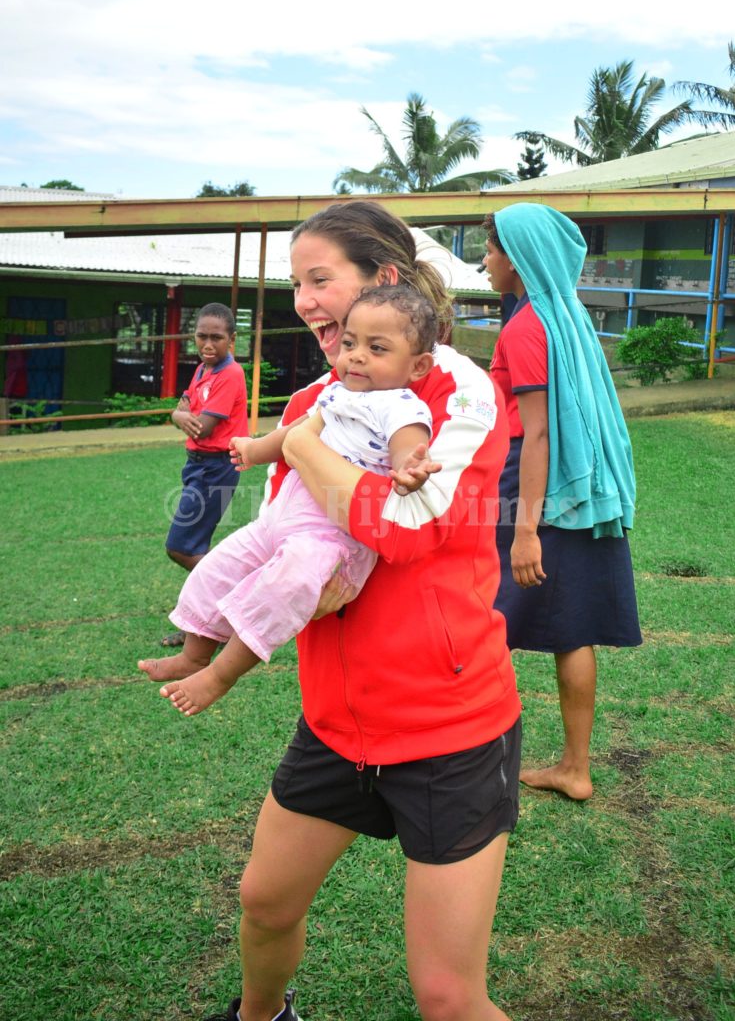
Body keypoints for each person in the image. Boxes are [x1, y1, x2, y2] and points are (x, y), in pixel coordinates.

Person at [147, 201, 521, 1021]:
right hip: (336, 718)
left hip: (447, 727)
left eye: (321, 280)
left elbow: (405, 527)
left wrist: (307, 444)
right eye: (296, 284)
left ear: (382, 280)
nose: (305, 302)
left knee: (446, 994)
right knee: (265, 903)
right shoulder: (322, 393)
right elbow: (289, 533)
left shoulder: (457, 392)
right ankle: (261, 1018)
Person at [138, 285, 441, 713]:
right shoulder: (337, 392)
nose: (355, 356)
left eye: (377, 348)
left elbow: (407, 448)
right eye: (350, 343)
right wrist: (255, 448)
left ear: (418, 365)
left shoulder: (401, 407)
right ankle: (193, 653)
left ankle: (220, 674)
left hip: (331, 540)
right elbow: (297, 431)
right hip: (282, 518)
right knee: (217, 568)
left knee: (283, 587)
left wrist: (410, 469)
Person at [483, 202, 641, 802]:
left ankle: (465, 756)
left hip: (537, 491)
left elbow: (538, 433)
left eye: (493, 249)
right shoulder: (569, 316)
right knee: (573, 630)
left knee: (484, 620)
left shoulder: (527, 328)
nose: (486, 260)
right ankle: (575, 767)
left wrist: (526, 530)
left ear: (518, 258)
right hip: (583, 491)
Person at [161, 302, 248, 647]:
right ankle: (208, 617)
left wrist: (178, 416)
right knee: (197, 546)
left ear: (232, 340)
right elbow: (183, 408)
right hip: (197, 466)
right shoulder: (202, 370)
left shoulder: (230, 374)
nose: (208, 345)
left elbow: (199, 426)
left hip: (216, 468)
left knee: (180, 547)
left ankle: (233, 604)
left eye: (216, 338)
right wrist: (177, 414)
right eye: (201, 337)